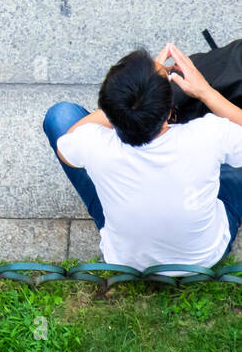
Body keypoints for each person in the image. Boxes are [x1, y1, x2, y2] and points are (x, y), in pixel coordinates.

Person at [42, 43, 242, 270]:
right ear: (169, 111)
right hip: (203, 256)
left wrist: (129, 102)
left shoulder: (94, 144)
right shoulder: (208, 135)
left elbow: (65, 149)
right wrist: (205, 91)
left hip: (126, 260)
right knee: (229, 158)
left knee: (59, 115)